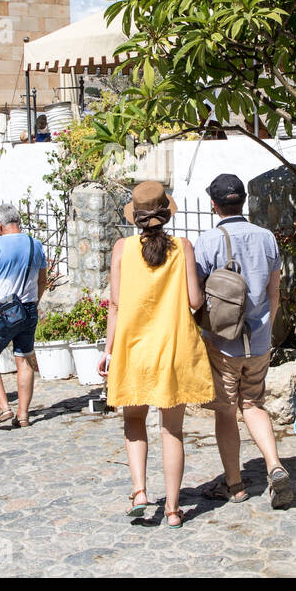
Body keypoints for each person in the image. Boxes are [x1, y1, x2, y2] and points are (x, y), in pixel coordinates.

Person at [100, 181, 215, 528]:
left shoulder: (122, 248)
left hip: (133, 348)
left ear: (135, 216)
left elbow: (116, 306)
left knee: (133, 421)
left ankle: (139, 492)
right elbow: (195, 301)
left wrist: (108, 351)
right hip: (174, 348)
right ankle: (174, 510)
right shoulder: (183, 247)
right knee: (172, 431)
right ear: (166, 213)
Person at [194, 173, 296, 509]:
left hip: (224, 342)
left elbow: (195, 297)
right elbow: (274, 290)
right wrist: (267, 325)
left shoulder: (207, 242)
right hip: (260, 339)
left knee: (225, 411)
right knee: (253, 404)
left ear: (214, 204)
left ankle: (235, 484)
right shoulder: (267, 237)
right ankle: (275, 466)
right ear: (244, 201)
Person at [0, 205, 48, 427]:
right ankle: (23, 415)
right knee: (24, 357)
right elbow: (43, 279)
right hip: (29, 306)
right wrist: (35, 300)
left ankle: (5, 407)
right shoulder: (34, 244)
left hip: (5, 310)